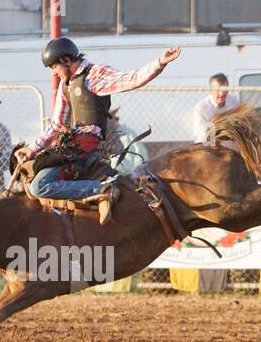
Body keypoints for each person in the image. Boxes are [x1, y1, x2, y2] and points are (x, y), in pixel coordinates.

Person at [22, 36, 180, 223]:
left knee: (39, 186)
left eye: (54, 67)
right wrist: (32, 149)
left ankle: (101, 189)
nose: (54, 73)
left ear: (66, 60)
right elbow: (56, 125)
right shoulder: (66, 85)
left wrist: (160, 63)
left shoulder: (93, 75)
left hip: (84, 145)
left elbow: (130, 79)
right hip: (73, 145)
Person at [190, 73, 241, 144]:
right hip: (207, 145)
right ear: (211, 90)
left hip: (230, 145)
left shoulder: (235, 102)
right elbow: (201, 133)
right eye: (218, 90)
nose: (222, 93)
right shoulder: (201, 107)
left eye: (224, 89)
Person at [99, 108, 149, 176]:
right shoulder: (105, 137)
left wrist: (138, 168)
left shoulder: (126, 132)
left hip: (131, 170)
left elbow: (140, 152)